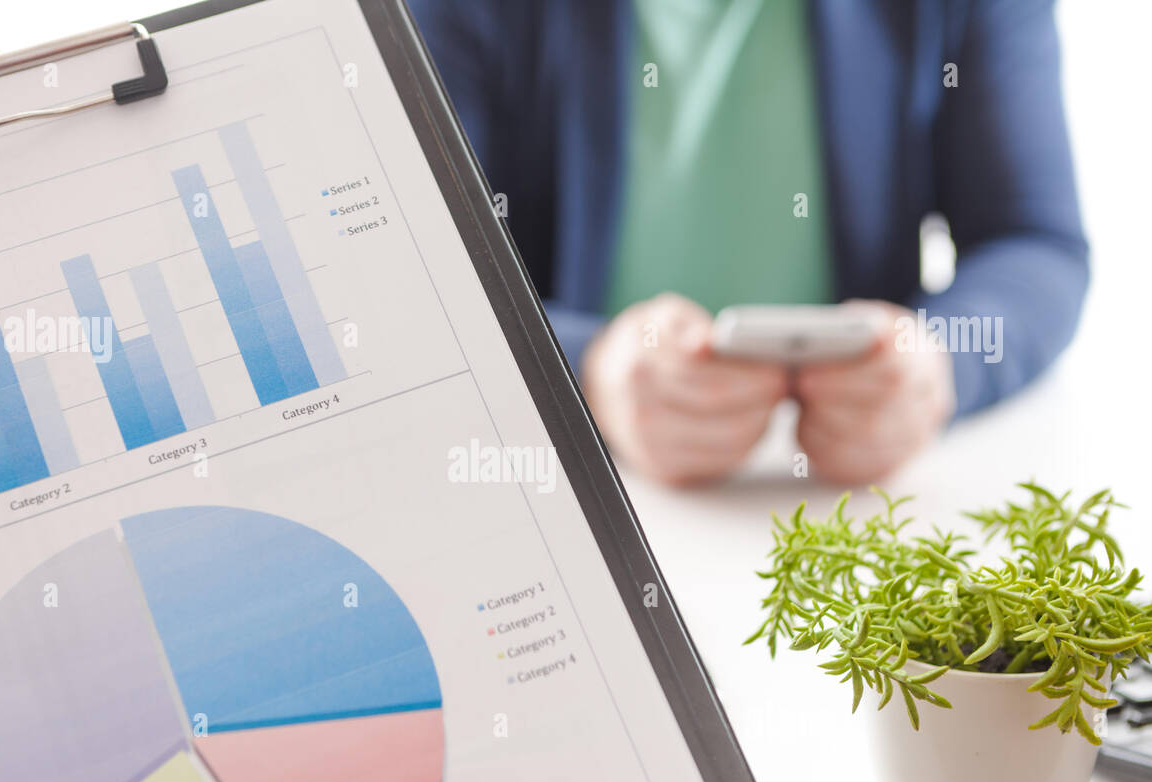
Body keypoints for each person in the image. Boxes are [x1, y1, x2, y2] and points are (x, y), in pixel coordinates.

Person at [408, 0, 1089, 485]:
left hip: (851, 507)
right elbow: (415, 279)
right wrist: (583, 371)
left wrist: (940, 366)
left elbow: (1033, 241)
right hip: (585, 491)